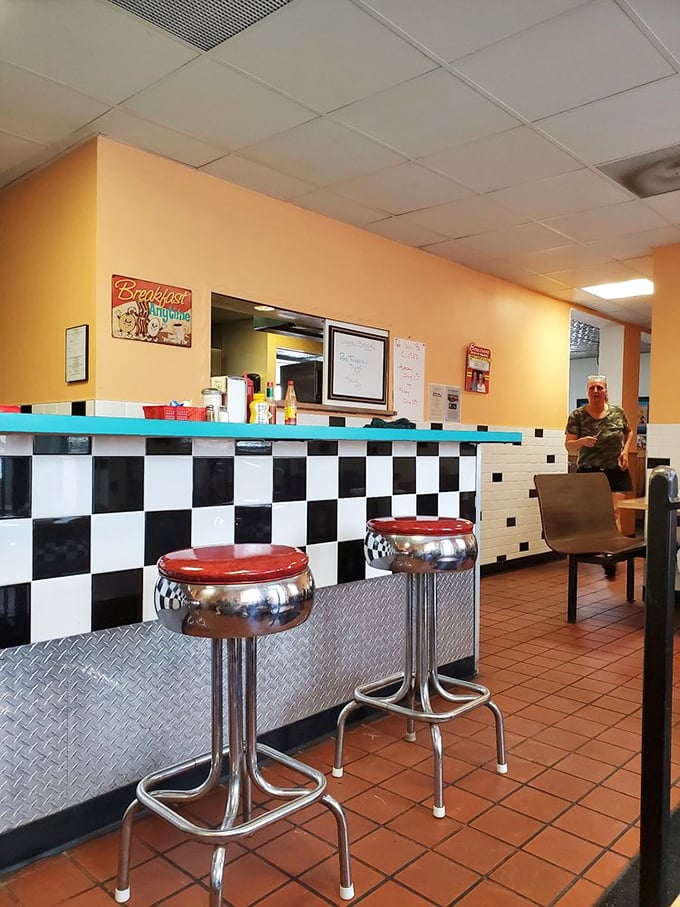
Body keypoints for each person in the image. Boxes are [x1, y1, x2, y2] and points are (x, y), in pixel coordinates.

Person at [565, 375, 634, 578]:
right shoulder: (577, 415)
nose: (596, 391)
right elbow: (568, 444)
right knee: (591, 514)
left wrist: (625, 452)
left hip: (615, 470)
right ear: (587, 392)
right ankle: (587, 549)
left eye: (600, 388)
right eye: (592, 388)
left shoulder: (617, 413)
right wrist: (582, 441)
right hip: (589, 470)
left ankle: (612, 554)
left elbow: (629, 432)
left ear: (605, 391)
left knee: (614, 513)